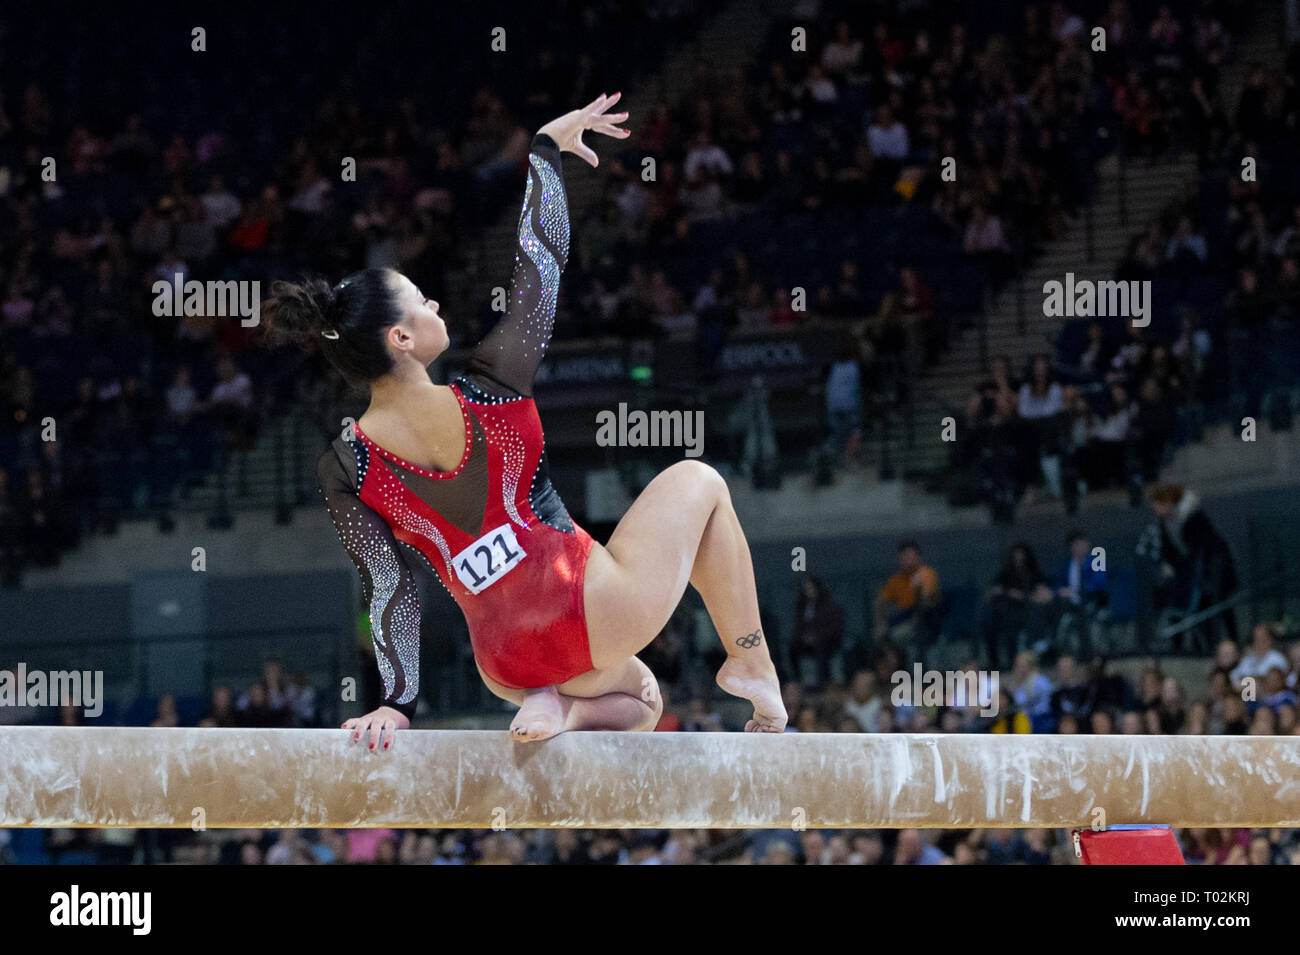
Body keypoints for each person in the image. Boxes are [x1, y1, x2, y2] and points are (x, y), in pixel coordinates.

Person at [267, 94, 785, 747]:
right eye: (419, 299)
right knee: (701, 481)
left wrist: (397, 703)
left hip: (504, 664)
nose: (433, 302)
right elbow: (541, 263)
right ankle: (751, 659)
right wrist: (544, 150)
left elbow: (390, 584)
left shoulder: (344, 466)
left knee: (645, 701)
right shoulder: (491, 387)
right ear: (400, 336)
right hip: (592, 608)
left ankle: (559, 706)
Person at [1149, 484, 1238, 647]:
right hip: (1188, 570)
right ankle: (1182, 646)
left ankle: (1229, 642)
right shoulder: (1165, 522)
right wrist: (1167, 563)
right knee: (1182, 607)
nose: (1156, 510)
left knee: (1218, 607)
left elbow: (1202, 548)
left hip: (1210, 569)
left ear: (1167, 502)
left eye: (1158, 505)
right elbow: (1168, 547)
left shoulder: (1192, 516)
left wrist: (1197, 573)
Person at [874, 539, 942, 649]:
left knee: (898, 635)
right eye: (904, 557)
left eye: (911, 557)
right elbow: (880, 602)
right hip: (902, 618)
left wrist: (917, 587)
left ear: (918, 557)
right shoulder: (895, 580)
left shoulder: (927, 573)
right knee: (878, 636)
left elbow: (927, 598)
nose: (908, 561)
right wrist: (880, 624)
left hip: (924, 621)